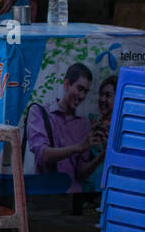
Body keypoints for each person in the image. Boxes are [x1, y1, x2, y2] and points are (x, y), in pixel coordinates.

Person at [25, 63, 104, 192]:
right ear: (66, 84)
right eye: (80, 88)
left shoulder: (84, 124)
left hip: (73, 201)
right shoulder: (39, 112)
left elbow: (80, 174)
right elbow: (43, 155)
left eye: (86, 91)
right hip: (45, 196)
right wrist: (77, 147)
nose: (82, 96)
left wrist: (101, 157)